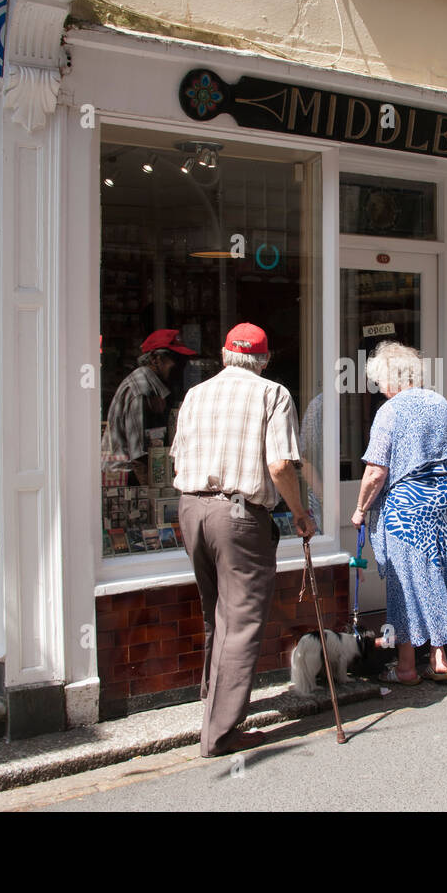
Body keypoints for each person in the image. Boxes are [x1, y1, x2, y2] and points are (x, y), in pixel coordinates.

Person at [172, 322, 316, 757]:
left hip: (191, 507)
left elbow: (177, 454)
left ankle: (211, 701)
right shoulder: (273, 393)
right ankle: (220, 734)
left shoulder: (196, 394)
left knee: (216, 612)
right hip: (238, 514)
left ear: (223, 354)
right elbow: (278, 466)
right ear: (265, 359)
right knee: (242, 622)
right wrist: (301, 513)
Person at [351, 341, 447, 684]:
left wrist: (359, 510)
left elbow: (376, 471)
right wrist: (438, 490)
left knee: (408, 584)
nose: (380, 389)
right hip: (446, 504)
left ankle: (406, 668)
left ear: (390, 378)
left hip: (406, 510)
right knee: (438, 576)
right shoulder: (441, 404)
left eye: (379, 381)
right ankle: (439, 658)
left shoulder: (390, 411)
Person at [102, 328, 195, 485]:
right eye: (176, 359)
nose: (181, 365)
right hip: (125, 478)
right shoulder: (141, 391)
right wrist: (151, 497)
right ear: (155, 359)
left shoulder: (155, 387)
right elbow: (139, 457)